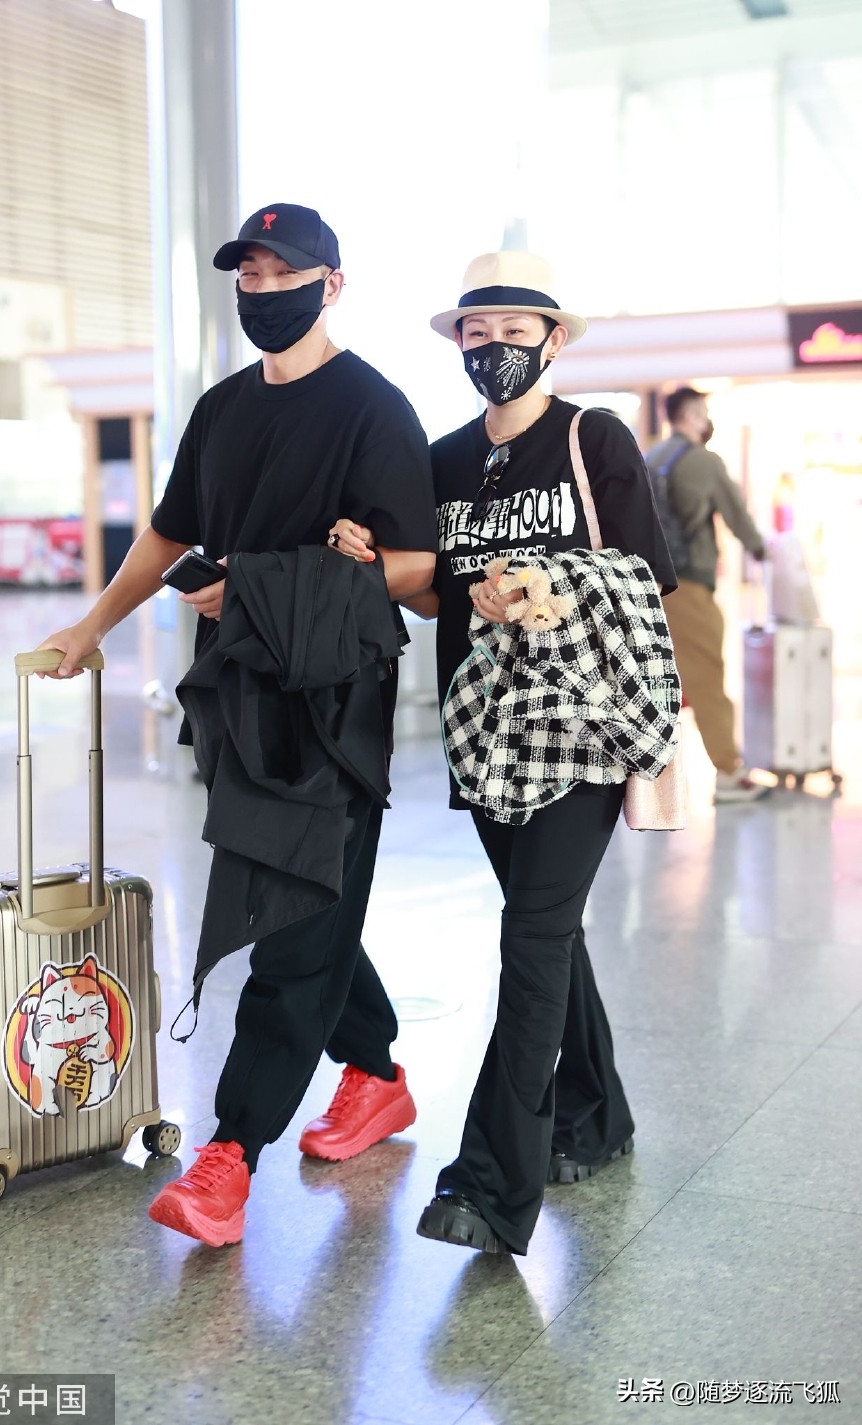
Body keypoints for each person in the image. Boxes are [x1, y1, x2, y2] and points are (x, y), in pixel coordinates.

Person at [36, 203, 437, 1248]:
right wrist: (90, 626)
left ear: (331, 283)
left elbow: (423, 576)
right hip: (239, 695)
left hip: (334, 701)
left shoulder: (373, 410)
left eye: (282, 273)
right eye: (248, 276)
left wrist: (292, 581)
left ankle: (231, 1153)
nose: (262, 291)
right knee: (301, 898)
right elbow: (169, 533)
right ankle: (378, 1072)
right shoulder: (220, 410)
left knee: (294, 915)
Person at [330, 250, 677, 1257]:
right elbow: (436, 591)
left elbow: (648, 574)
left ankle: (490, 1182)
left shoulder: (590, 437)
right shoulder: (442, 458)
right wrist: (379, 570)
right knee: (548, 931)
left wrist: (543, 586)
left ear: (552, 339)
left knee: (529, 938)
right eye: (474, 335)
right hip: (484, 732)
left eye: (512, 331)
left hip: (577, 729)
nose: (492, 349)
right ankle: (596, 1116)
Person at [645, 387, 768, 804]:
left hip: (647, 589)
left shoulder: (650, 458)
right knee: (708, 676)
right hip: (689, 585)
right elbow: (737, 516)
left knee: (658, 683)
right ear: (693, 414)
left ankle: (639, 778)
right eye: (704, 413)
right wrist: (763, 552)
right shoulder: (704, 461)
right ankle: (730, 773)